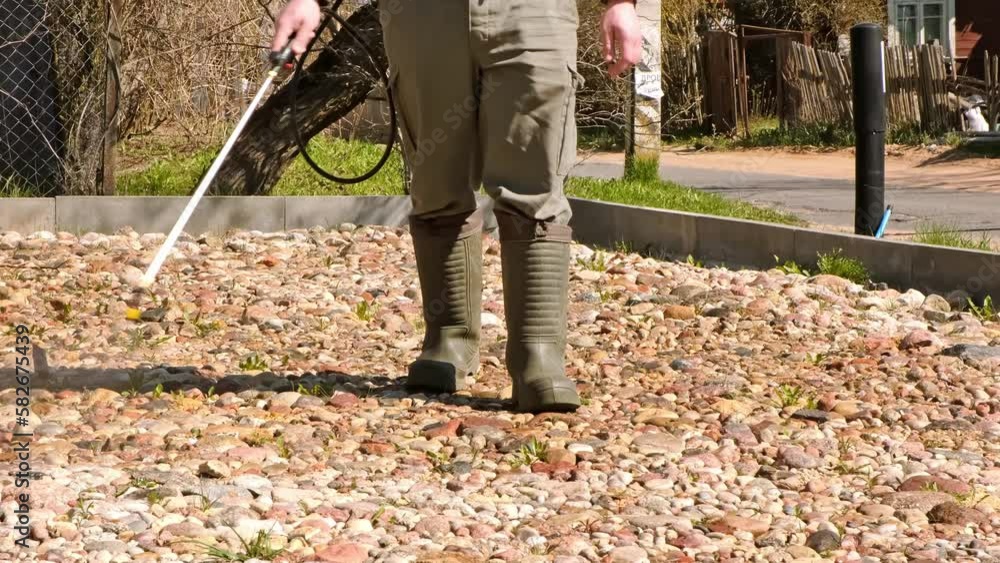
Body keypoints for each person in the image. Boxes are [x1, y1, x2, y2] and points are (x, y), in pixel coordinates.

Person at [272, 0, 640, 413]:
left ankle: (538, 358)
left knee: (536, 184)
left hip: (534, 13)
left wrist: (621, 4)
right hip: (423, 16)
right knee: (437, 182)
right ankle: (449, 339)